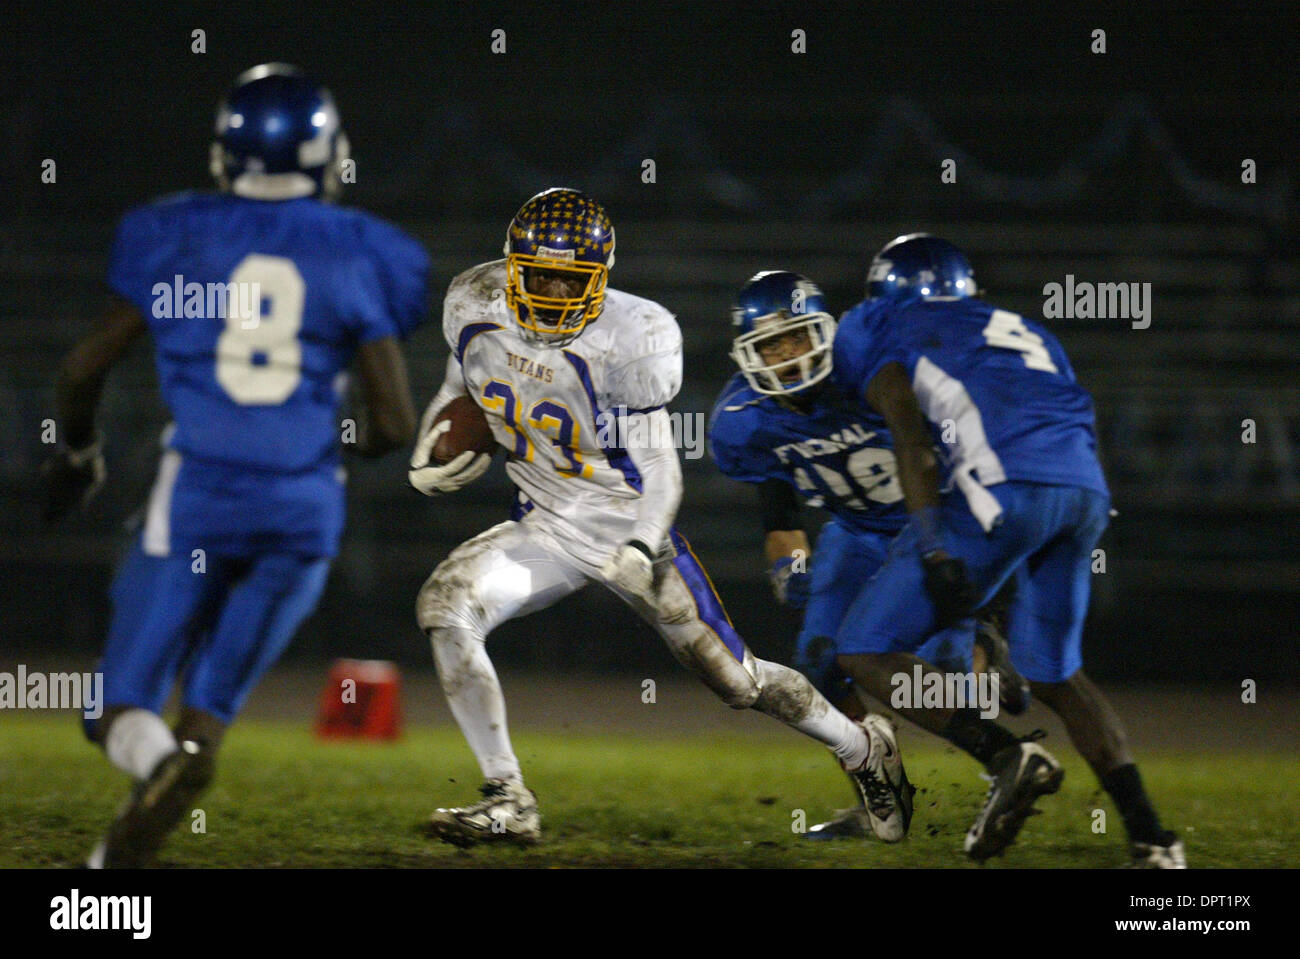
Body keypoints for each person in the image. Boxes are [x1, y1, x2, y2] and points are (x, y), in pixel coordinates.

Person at [409, 189, 912, 846]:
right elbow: (462, 381)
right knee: (448, 608)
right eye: (541, 274)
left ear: (602, 278)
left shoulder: (634, 336)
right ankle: (508, 796)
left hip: (627, 529)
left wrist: (644, 546)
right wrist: (435, 441)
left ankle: (860, 747)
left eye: (573, 277)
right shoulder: (473, 300)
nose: (557, 290)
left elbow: (661, 465)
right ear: (512, 269)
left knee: (738, 681)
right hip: (543, 535)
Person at [42, 63, 428, 868]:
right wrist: (330, 444)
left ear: (227, 152)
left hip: (201, 495)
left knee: (112, 707)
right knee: (206, 714)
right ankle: (124, 853)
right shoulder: (362, 250)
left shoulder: (176, 234)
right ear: (326, 154)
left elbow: (82, 368)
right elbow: (393, 423)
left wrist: (78, 453)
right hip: (304, 510)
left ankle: (153, 771)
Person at [828, 234, 1184, 867]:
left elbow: (909, 431)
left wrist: (936, 550)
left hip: (1000, 490)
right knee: (1057, 674)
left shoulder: (876, 322)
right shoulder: (1026, 329)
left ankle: (1005, 754)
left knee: (861, 649)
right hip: (1083, 491)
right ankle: (1154, 839)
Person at [708, 270, 1028, 840]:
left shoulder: (869, 374)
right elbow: (779, 514)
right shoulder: (746, 421)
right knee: (819, 660)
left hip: (931, 525)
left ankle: (987, 665)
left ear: (824, 334)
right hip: (853, 533)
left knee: (946, 675)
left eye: (797, 339)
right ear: (747, 355)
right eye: (771, 346)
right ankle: (881, 792)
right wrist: (790, 567)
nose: (787, 358)